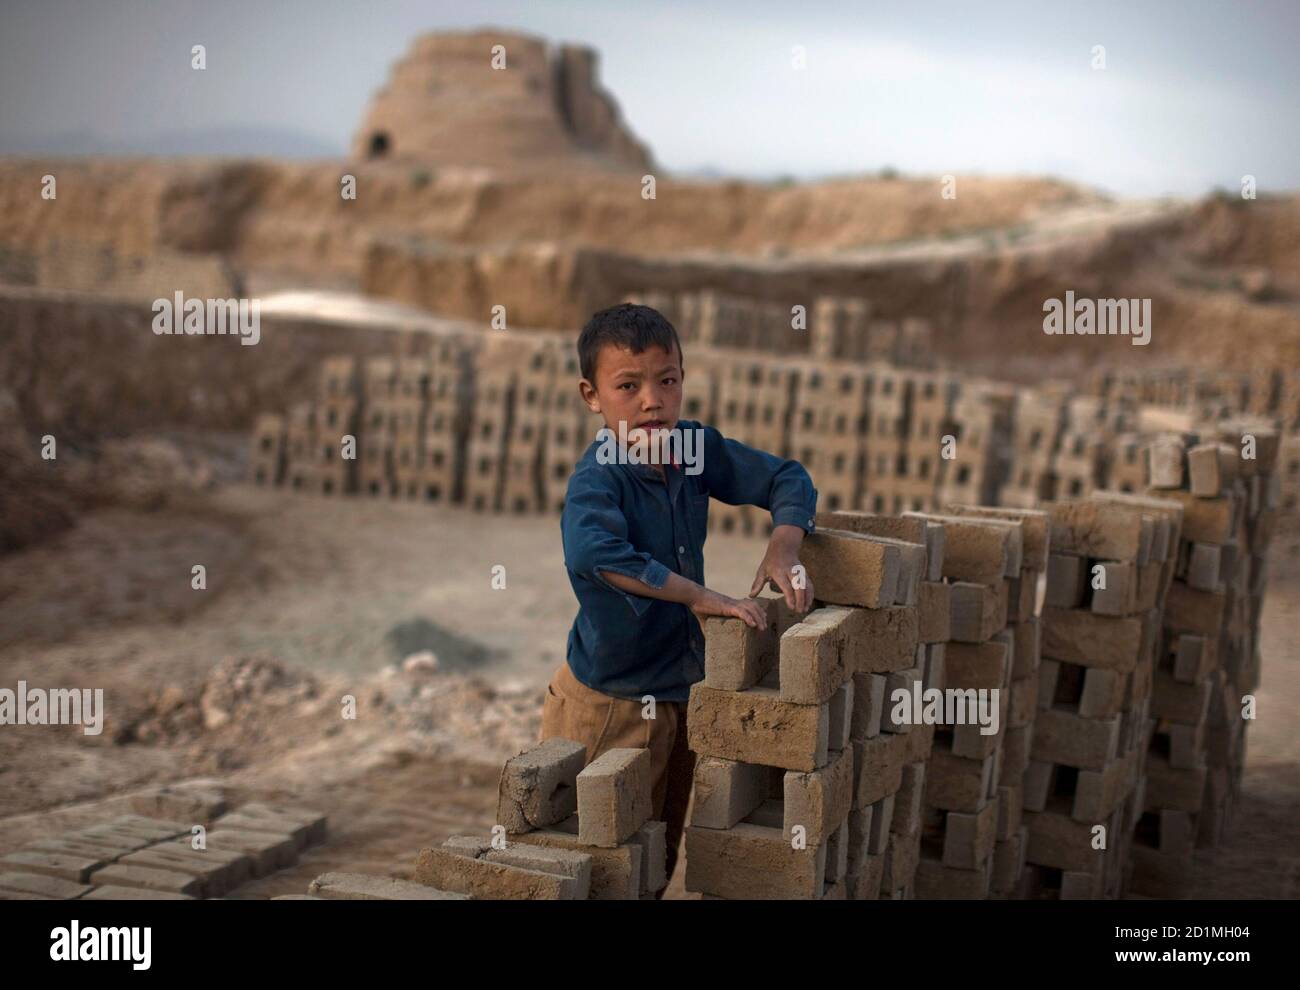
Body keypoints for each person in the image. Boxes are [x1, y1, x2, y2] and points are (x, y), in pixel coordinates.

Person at [539, 302, 818, 896]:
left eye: (667, 381)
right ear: (592, 395)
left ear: (683, 381)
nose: (651, 401)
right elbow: (596, 555)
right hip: (607, 702)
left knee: (655, 861)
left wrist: (785, 547)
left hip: (679, 696)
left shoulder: (694, 452)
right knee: (595, 862)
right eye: (628, 386)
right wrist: (698, 596)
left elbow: (786, 477)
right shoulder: (599, 479)